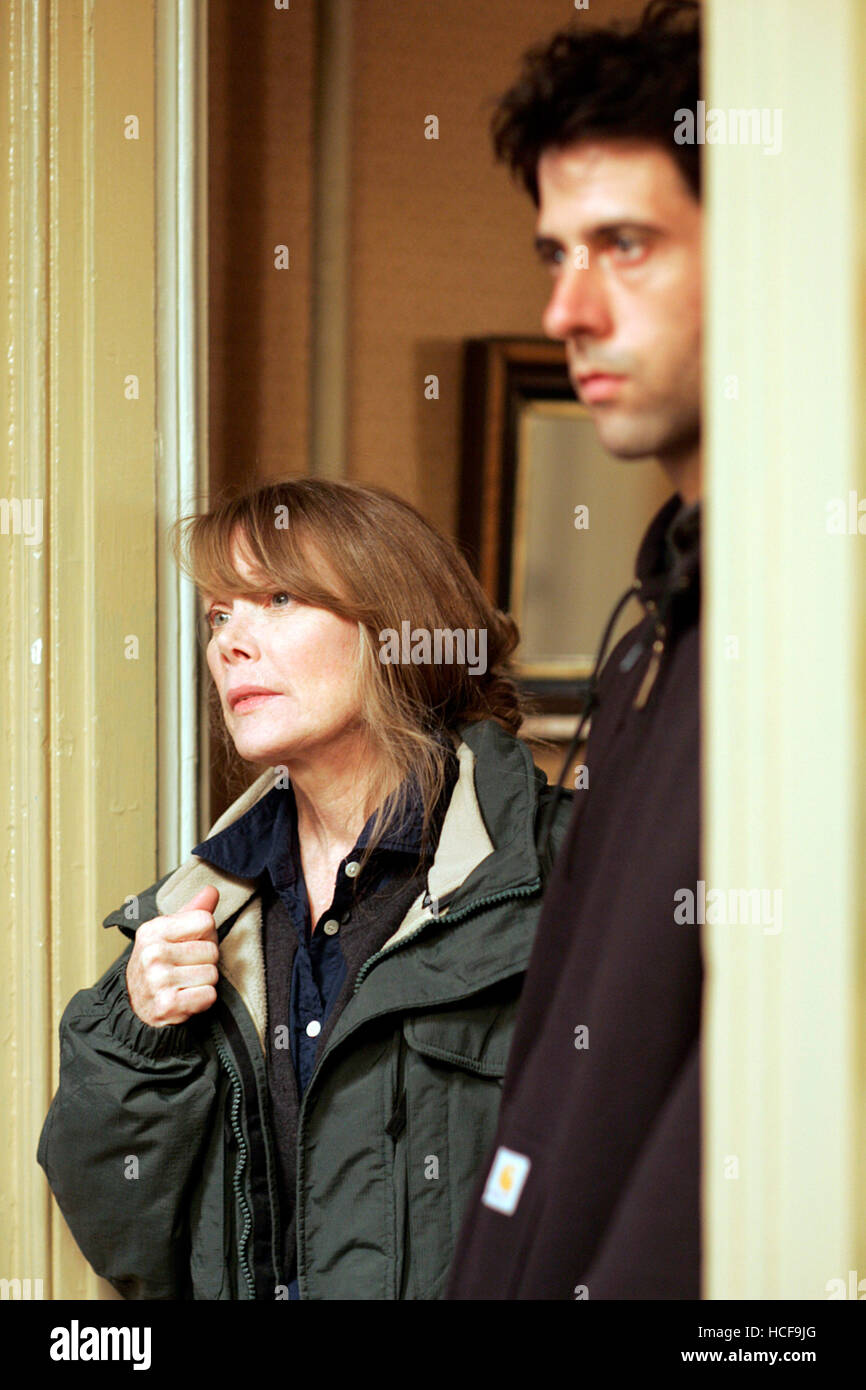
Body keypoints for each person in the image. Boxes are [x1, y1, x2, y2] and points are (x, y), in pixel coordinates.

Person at [36, 478, 573, 1300]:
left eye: (277, 598)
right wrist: (141, 1042)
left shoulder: (565, 871)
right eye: (219, 616)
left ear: (397, 626)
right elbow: (123, 1238)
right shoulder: (199, 908)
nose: (227, 645)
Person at [447, 0, 703, 1299]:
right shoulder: (650, 626)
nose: (567, 307)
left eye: (625, 245)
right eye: (554, 252)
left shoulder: (806, 636)